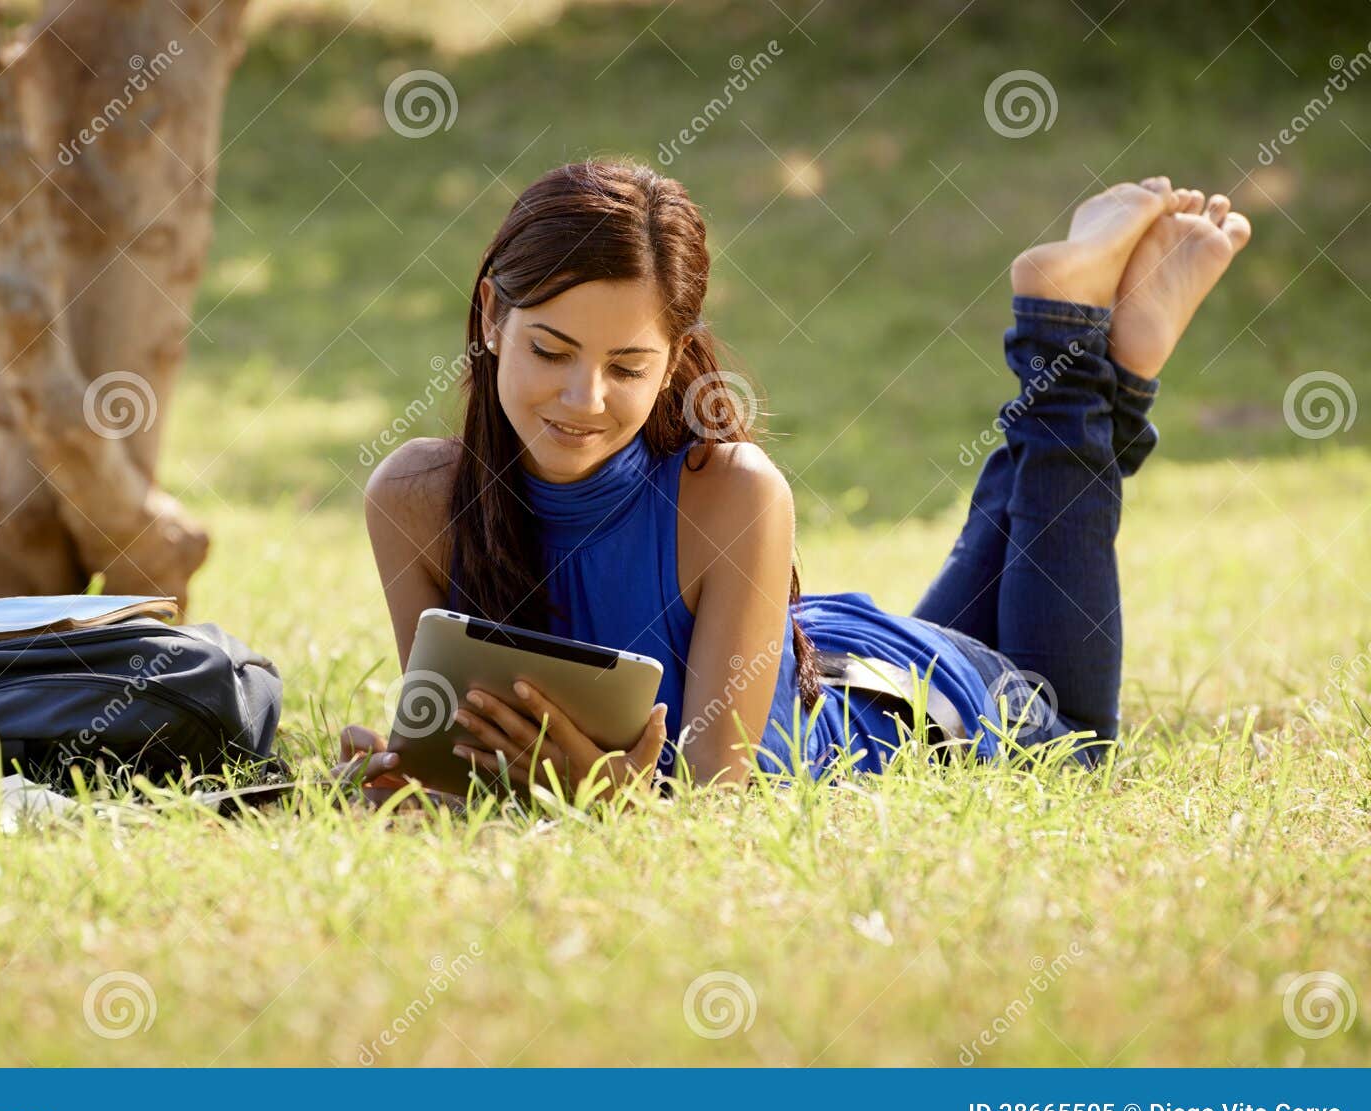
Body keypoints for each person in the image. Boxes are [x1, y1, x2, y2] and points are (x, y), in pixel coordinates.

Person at [335, 160, 1250, 796]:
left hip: (910, 717)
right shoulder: (414, 500)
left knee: (1077, 750)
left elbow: (726, 803)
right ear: (491, 315)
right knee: (1018, 543)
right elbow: (462, 753)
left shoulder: (733, 491)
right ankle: (1110, 361)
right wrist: (407, 780)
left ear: (675, 360)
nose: (585, 398)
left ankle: (1062, 334)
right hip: (834, 661)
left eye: (627, 365)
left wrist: (609, 796)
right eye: (551, 350)